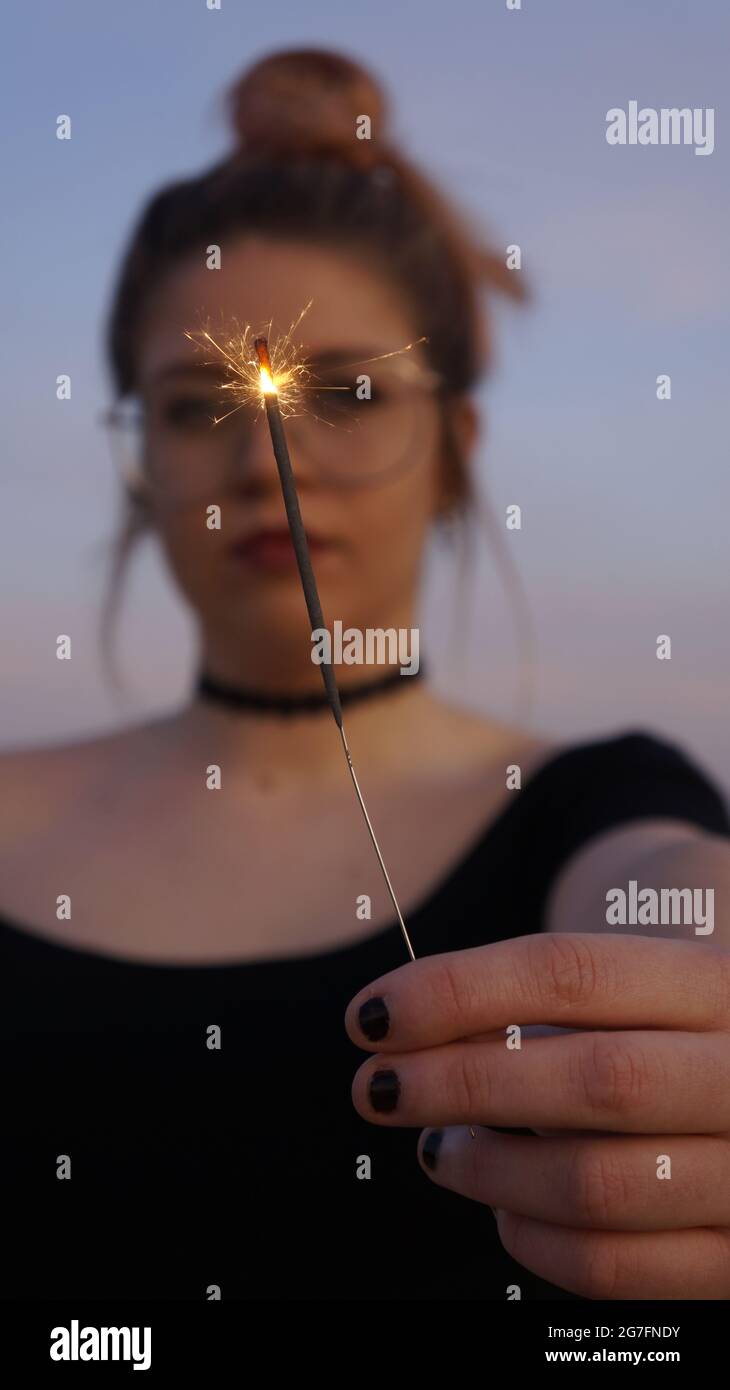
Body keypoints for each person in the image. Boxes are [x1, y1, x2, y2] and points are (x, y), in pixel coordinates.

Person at [1, 48, 729, 1303]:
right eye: (194, 403)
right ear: (141, 462)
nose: (264, 448)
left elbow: (672, 895)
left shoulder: (589, 807)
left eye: (345, 390)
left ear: (454, 445)